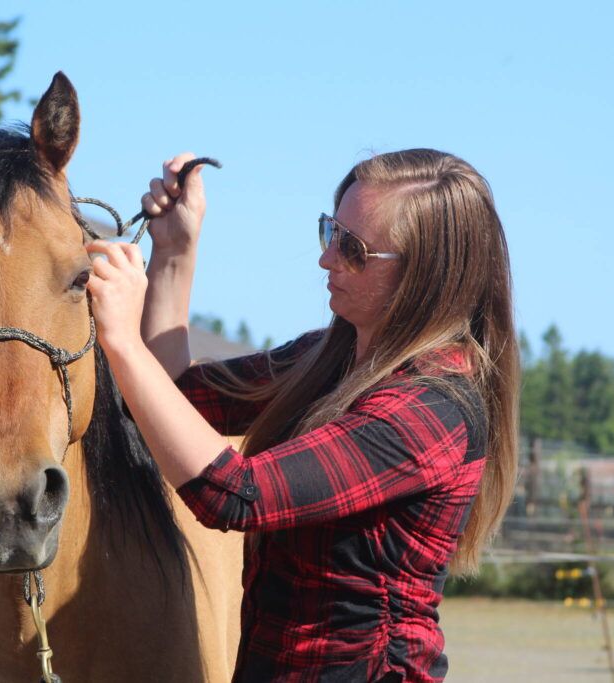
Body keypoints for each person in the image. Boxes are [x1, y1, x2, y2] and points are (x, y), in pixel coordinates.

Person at [85, 148, 519, 682]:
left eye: (354, 249)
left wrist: (124, 342)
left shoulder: (432, 409)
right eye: (331, 231)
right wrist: (174, 251)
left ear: (427, 275)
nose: (327, 259)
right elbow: (175, 397)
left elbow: (234, 494)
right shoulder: (329, 356)